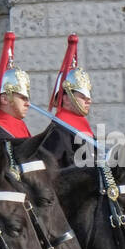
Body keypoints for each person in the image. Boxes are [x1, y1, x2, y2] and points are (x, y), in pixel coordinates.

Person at [38, 34, 95, 165]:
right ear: (67, 99)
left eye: (88, 96)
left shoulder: (80, 128)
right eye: (82, 96)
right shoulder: (59, 132)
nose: (89, 100)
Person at [0, 32, 31, 141]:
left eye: (27, 99)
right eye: (23, 98)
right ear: (4, 99)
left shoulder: (21, 127)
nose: (28, 104)